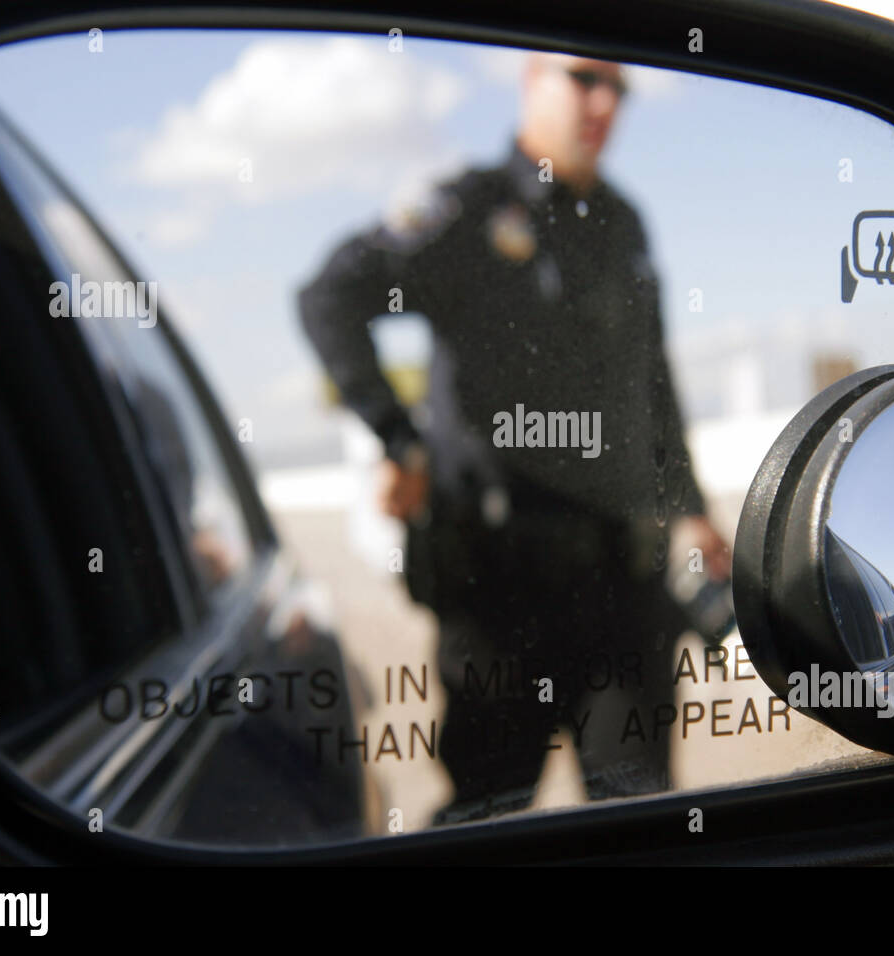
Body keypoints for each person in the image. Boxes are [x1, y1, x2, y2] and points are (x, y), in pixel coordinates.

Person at [297, 53, 731, 823]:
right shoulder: (469, 209)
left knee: (645, 824)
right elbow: (330, 294)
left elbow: (653, 384)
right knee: (482, 822)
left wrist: (691, 508)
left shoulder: (624, 222)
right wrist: (398, 441)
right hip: (499, 598)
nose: (604, 101)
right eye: (583, 77)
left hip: (623, 589)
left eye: (619, 87)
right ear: (533, 78)